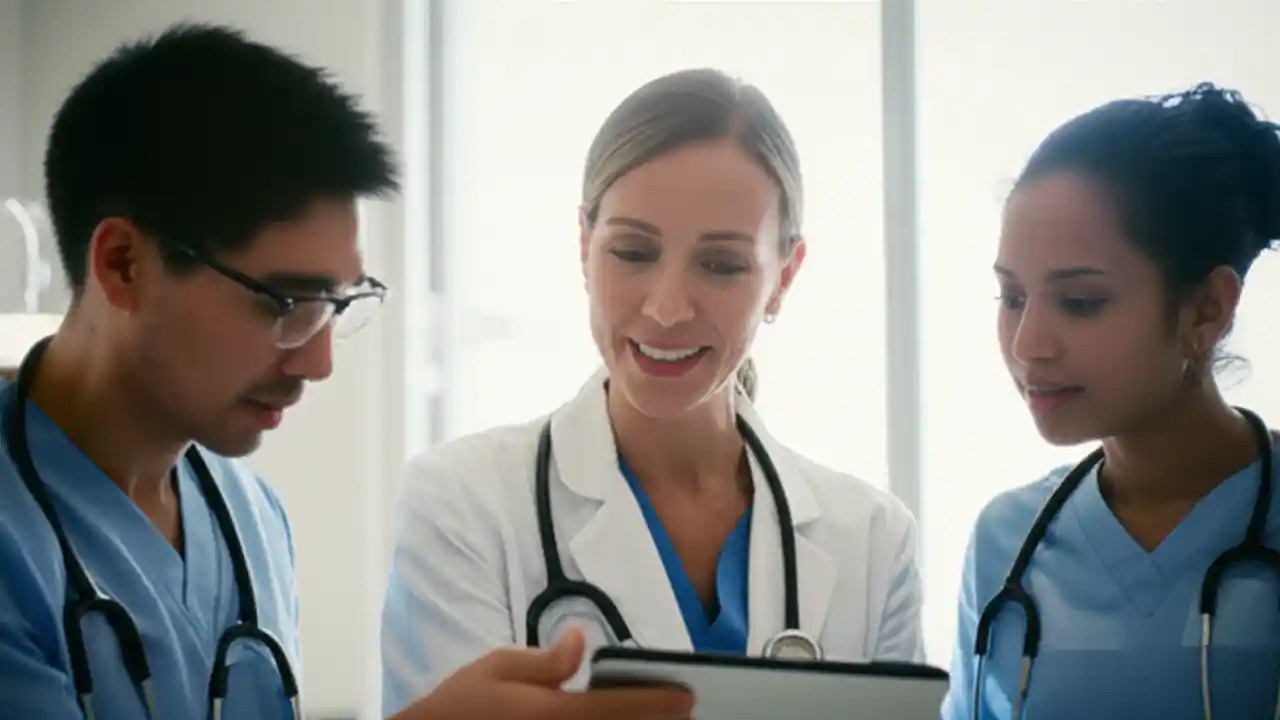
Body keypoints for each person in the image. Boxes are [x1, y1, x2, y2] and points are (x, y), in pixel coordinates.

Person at [0, 23, 692, 720]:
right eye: (286, 302)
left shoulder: (250, 521)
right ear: (125, 264)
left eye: (337, 304)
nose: (319, 361)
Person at [380, 67, 925, 714]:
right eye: (633, 253)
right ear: (585, 246)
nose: (667, 309)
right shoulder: (463, 505)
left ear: (784, 276)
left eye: (721, 265)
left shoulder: (873, 540)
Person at [942, 83, 1280, 720]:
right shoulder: (1005, 544)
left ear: (1206, 310)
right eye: (1013, 298)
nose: (1027, 344)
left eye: (1080, 302)